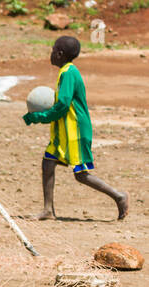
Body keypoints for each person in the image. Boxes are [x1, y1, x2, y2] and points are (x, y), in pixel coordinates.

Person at [24, 35, 129, 220]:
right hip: (65, 131)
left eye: (53, 50)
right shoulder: (66, 71)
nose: (51, 53)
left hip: (76, 132)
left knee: (81, 174)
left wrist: (38, 117)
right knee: (48, 162)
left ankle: (118, 196)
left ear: (60, 54)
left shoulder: (69, 73)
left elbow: (62, 105)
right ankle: (48, 210)